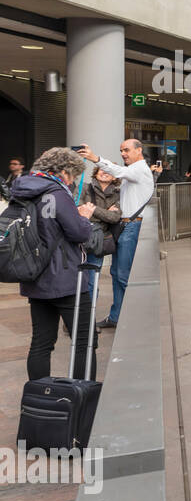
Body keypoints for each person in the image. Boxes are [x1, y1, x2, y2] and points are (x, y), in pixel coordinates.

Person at [10, 148, 97, 382]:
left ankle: (37, 397)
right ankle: (82, 400)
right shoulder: (57, 193)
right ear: (65, 172)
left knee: (41, 343)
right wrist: (85, 218)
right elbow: (78, 232)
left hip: (34, 277)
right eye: (73, 176)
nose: (73, 182)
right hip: (67, 279)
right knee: (84, 342)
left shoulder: (22, 190)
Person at [75, 139, 154, 330]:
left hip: (131, 226)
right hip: (124, 227)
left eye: (126, 150)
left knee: (122, 275)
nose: (123, 154)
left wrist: (95, 158)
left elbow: (118, 172)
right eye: (121, 151)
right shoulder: (132, 172)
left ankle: (133, 320)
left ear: (139, 150)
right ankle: (117, 316)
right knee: (117, 273)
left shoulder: (140, 169)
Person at [81, 167, 122, 270]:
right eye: (101, 169)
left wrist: (92, 208)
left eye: (109, 171)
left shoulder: (117, 194)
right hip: (80, 236)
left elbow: (114, 217)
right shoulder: (84, 187)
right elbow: (77, 209)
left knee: (92, 278)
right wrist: (106, 212)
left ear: (114, 177)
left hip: (98, 241)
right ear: (96, 173)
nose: (104, 172)